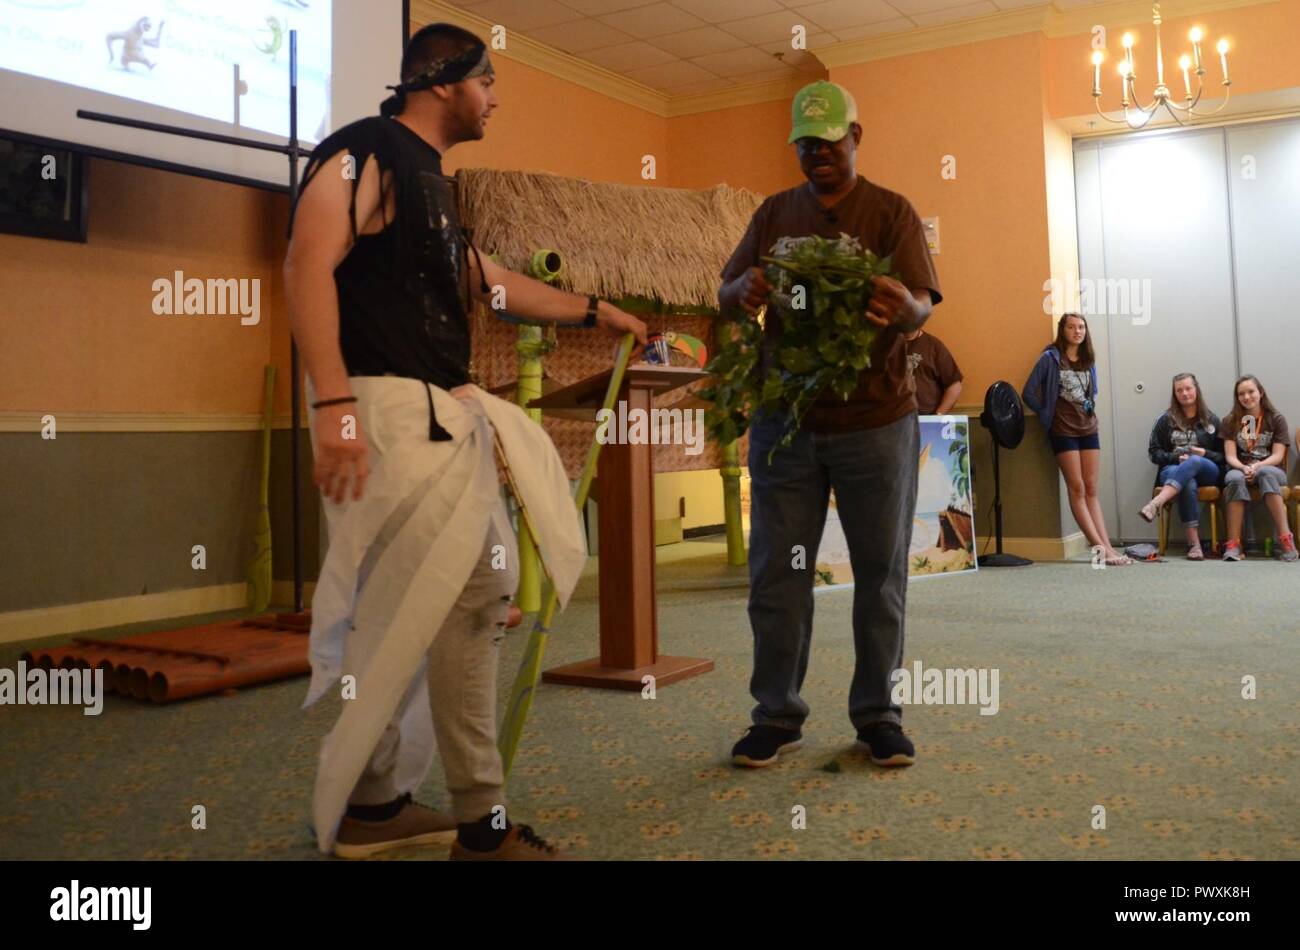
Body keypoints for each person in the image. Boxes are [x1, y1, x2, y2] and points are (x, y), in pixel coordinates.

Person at [284, 23, 646, 860]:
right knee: (475, 593)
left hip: (430, 415)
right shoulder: (363, 150)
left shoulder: (431, 185)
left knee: (409, 608)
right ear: (443, 80)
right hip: (389, 411)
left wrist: (597, 311)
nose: (494, 100)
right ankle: (482, 826)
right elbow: (306, 263)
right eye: (487, 82)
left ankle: (375, 805)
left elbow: (493, 285)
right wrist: (334, 407)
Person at [719, 80, 942, 769]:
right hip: (785, 423)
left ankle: (878, 715)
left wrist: (905, 308)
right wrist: (742, 290)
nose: (817, 152)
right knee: (777, 575)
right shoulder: (773, 213)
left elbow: (923, 302)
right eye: (805, 142)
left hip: (876, 421)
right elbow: (727, 291)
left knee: (880, 574)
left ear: (856, 137)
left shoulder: (891, 212)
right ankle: (776, 715)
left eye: (829, 140)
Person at [1022, 313, 1131, 566]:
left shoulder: (1087, 360)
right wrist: (1047, 413)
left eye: (1081, 327)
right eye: (1071, 327)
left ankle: (1108, 548)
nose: (1077, 331)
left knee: (1091, 488)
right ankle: (1100, 551)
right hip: (1063, 431)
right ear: (1063, 330)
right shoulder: (1050, 358)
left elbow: (1092, 393)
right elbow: (1028, 392)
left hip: (1088, 428)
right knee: (1078, 488)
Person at [1139, 373, 1224, 559]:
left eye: (1188, 388)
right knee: (1187, 482)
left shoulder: (1212, 420)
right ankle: (1194, 545)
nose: (1184, 393)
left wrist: (1204, 454)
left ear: (1196, 389)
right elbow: (1154, 453)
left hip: (1207, 471)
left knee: (1194, 461)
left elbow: (1224, 456)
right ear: (1175, 393)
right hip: (1174, 469)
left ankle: (1156, 503)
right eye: (1179, 390)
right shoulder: (1165, 419)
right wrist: (1176, 457)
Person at [1220, 375, 1295, 561]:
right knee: (1234, 478)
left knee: (1265, 473)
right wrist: (1244, 468)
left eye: (1251, 392)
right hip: (1240, 469)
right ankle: (1234, 544)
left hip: (1271, 469)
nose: (1246, 397)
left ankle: (1286, 540)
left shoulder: (1275, 419)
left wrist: (1258, 465)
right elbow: (1230, 456)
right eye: (1241, 394)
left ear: (1260, 393)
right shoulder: (1230, 421)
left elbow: (1278, 456)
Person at [905, 327, 962, 415]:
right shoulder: (886, 344)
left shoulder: (934, 346)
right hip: (893, 419)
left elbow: (954, 386)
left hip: (927, 417)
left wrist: (938, 416)